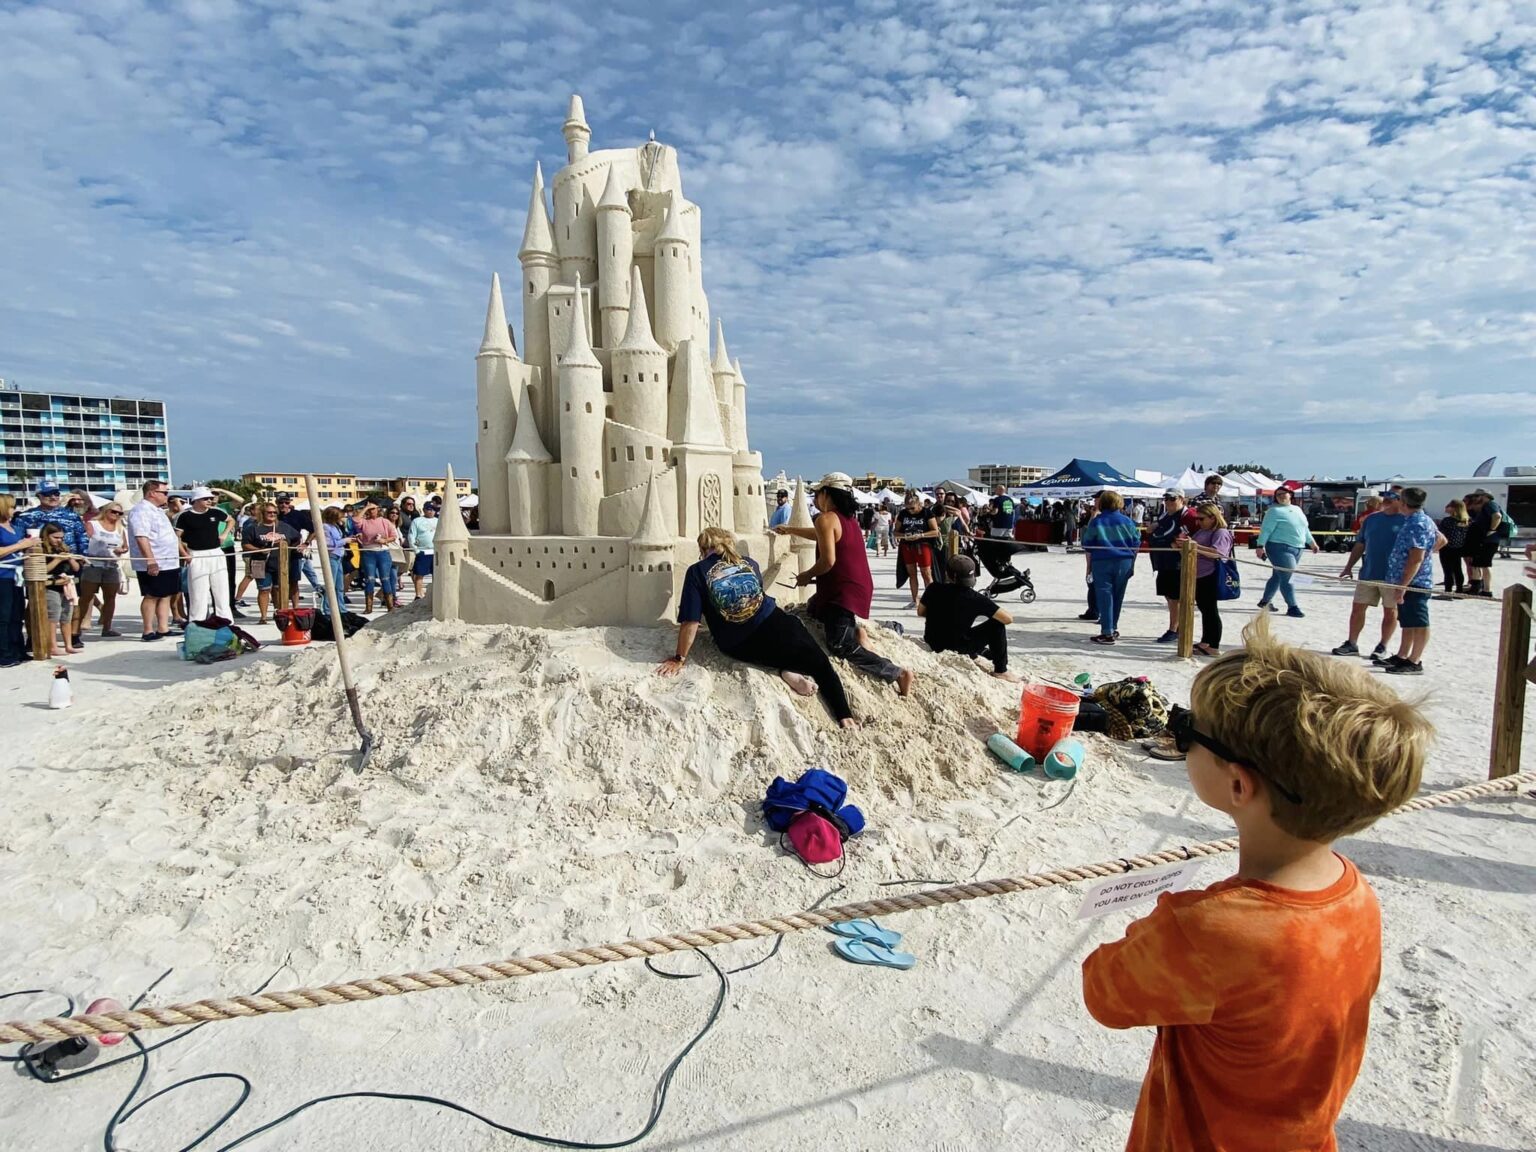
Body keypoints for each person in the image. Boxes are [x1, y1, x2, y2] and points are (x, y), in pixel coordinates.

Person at [1082, 616, 1428, 1152]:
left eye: (1189, 730)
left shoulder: (1203, 930)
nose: (1181, 736)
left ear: (1239, 783)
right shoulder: (1354, 893)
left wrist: (1168, 924)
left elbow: (1103, 992)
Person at [658, 526, 858, 729]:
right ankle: (844, 716)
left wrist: (679, 659)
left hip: (738, 641)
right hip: (776, 622)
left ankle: (783, 670)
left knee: (769, 654)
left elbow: (690, 622)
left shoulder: (697, 571)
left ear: (703, 548)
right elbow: (757, 599)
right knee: (819, 662)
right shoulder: (750, 563)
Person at [775, 472, 914, 696]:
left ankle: (896, 673)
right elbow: (821, 535)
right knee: (814, 609)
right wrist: (791, 529)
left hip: (843, 591)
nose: (815, 499)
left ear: (826, 494)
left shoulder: (826, 518)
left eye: (817, 494)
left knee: (839, 645)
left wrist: (805, 575)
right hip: (854, 586)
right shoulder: (846, 519)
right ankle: (856, 631)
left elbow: (827, 561)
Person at [918, 555, 1018, 680]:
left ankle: (978, 652)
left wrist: (941, 614)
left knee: (954, 627)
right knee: (996, 625)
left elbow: (920, 612)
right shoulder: (976, 598)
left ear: (949, 575)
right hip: (956, 646)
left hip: (932, 642)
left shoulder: (933, 588)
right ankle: (1001, 671)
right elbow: (1008, 619)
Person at [1332, 491, 1406, 660]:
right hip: (1369, 572)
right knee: (1357, 608)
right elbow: (1360, 544)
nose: (1386, 500)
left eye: (1391, 498)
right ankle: (1352, 643)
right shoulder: (1372, 519)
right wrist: (1348, 567)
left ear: (1400, 501)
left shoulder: (1407, 520)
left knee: (1390, 611)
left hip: (1393, 576)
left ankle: (1382, 646)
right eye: (1384, 498)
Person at [1381, 487, 1445, 676]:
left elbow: (1416, 557)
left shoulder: (1418, 523)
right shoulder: (1417, 520)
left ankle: (1415, 660)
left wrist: (1403, 585)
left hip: (1415, 582)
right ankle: (1403, 655)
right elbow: (1441, 540)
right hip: (1407, 580)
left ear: (1403, 502)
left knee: (1419, 621)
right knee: (1407, 621)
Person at [1081, 490, 1139, 645]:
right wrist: (1132, 563)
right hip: (1124, 561)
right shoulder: (1128, 521)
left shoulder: (1097, 522)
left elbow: (1087, 543)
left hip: (1102, 561)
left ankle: (1107, 632)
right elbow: (1136, 543)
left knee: (1104, 596)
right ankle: (1113, 627)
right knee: (1118, 596)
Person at [126, 479, 181, 641]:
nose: (167, 496)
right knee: (152, 595)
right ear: (152, 493)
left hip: (168, 560)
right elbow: (141, 537)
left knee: (166, 594)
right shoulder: (141, 511)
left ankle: (163, 627)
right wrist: (150, 560)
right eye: (164, 493)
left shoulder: (157, 510)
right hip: (154, 560)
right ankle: (148, 630)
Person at [1254, 487, 1319, 618]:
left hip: (1298, 548)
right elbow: (1265, 530)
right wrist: (1260, 546)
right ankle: (1292, 607)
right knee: (1288, 577)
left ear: (1291, 495)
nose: (1281, 496)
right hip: (1279, 548)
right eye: (1278, 495)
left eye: (1284, 493)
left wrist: (1312, 543)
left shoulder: (1298, 509)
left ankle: (1265, 601)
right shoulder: (1273, 511)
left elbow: (1304, 529)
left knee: (1278, 576)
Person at [177, 486, 233, 622]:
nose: (209, 500)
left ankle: (225, 620)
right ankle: (197, 621)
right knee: (198, 592)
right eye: (205, 498)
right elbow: (176, 536)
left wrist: (224, 534)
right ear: (196, 500)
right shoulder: (185, 516)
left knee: (221, 590)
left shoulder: (215, 512)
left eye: (210, 498)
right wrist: (185, 554)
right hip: (196, 554)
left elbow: (231, 520)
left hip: (215, 553)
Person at [76, 501, 129, 641]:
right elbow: (84, 542)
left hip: (111, 565)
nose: (116, 515)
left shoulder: (120, 528)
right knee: (86, 597)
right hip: (93, 564)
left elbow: (125, 546)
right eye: (113, 511)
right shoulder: (93, 524)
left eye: (119, 513)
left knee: (110, 598)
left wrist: (121, 550)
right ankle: (75, 627)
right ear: (105, 511)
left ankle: (107, 627)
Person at [241, 501, 301, 623]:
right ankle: (263, 616)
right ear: (263, 513)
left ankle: (279, 612)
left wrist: (288, 548)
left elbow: (297, 538)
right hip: (260, 562)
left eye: (274, 512)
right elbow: (245, 544)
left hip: (280, 563)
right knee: (264, 589)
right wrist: (259, 550)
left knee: (279, 589)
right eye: (269, 512)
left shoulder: (284, 526)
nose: (272, 514)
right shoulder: (253, 527)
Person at [0, 494, 41, 666]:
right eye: (11, 506)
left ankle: (17, 649)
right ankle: (4, 653)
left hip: (16, 576)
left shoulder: (14, 527)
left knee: (17, 615)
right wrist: (20, 546)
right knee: (3, 616)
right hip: (2, 576)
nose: (14, 510)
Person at [1190, 503, 1234, 657]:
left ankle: (1213, 645)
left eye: (1202, 519)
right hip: (1198, 574)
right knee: (1204, 610)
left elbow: (1218, 553)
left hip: (1211, 574)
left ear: (1212, 517)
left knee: (1210, 611)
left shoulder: (1220, 532)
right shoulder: (1203, 530)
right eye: (1197, 519)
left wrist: (1194, 547)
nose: (1199, 522)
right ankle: (1205, 641)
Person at [1147, 490, 1187, 643]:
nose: (1168, 501)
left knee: (1174, 597)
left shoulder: (1185, 515)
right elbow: (1152, 532)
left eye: (1172, 498)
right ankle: (1176, 627)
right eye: (1166, 498)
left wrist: (1171, 543)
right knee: (1169, 596)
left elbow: (1183, 539)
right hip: (1163, 560)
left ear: (1181, 499)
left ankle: (1174, 628)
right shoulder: (1165, 515)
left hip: (1176, 562)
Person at [14, 482, 88, 562]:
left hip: (70, 562)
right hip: (39, 563)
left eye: (56, 494)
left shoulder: (72, 516)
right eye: (48, 494)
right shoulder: (25, 516)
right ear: (39, 496)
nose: (53, 497)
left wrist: (81, 560)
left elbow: (82, 539)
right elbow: (18, 541)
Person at [39, 524, 82, 655]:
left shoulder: (63, 548)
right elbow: (42, 570)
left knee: (66, 617)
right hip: (51, 586)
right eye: (55, 537)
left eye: (61, 538)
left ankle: (68, 645)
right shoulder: (41, 550)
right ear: (47, 536)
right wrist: (57, 560)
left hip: (66, 586)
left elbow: (76, 569)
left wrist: (70, 558)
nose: (59, 540)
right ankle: (52, 646)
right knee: (53, 616)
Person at [892, 490, 939, 610]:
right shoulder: (903, 514)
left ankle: (931, 600)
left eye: (912, 508)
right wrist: (904, 536)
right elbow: (895, 532)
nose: (910, 511)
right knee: (912, 574)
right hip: (907, 546)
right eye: (907, 508)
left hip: (922, 545)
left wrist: (921, 535)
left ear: (919, 504)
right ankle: (915, 600)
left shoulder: (926, 513)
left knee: (926, 574)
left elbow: (935, 531)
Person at [350, 501, 399, 613]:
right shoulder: (364, 522)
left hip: (383, 551)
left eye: (374, 508)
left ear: (378, 509)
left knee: (385, 579)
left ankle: (390, 606)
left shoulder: (384, 521)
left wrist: (384, 540)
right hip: (368, 552)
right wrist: (366, 507)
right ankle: (368, 607)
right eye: (370, 509)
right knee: (369, 579)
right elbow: (355, 520)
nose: (372, 511)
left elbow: (393, 536)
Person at [275, 493, 324, 600]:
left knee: (294, 580)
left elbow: (314, 530)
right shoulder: (273, 515)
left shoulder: (298, 515)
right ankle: (280, 606)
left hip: (295, 552)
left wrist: (306, 543)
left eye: (286, 502)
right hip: (276, 552)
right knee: (276, 582)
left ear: (289, 503)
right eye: (281, 502)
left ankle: (295, 606)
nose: (284, 505)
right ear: (276, 503)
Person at [1463, 488, 1504, 597]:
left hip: (1489, 540)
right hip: (1483, 540)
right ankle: (1476, 587)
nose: (1475, 498)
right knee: (1477, 563)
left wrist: (1491, 530)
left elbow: (1497, 516)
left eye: (1477, 496)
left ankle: (1487, 590)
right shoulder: (1482, 508)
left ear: (1484, 496)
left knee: (1485, 565)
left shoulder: (1490, 504)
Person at [1437, 499, 1469, 595]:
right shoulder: (1466, 521)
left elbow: (1441, 534)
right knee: (1457, 569)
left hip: (1447, 548)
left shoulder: (1447, 521)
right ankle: (1459, 589)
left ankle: (1448, 590)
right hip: (1459, 547)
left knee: (1448, 570)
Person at [320, 506, 348, 607]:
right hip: (332, 556)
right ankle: (327, 608)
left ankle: (341, 607)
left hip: (339, 556)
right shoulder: (325, 527)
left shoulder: (336, 526)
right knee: (330, 585)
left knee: (339, 586)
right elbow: (329, 543)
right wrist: (345, 541)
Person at [408, 502, 437, 599]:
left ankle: (435, 593)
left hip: (436, 551)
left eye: (433, 509)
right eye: (429, 509)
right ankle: (418, 594)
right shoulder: (417, 521)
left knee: (436, 574)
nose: (431, 511)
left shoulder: (439, 521)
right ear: (424, 510)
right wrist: (416, 550)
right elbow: (411, 536)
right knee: (419, 574)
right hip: (423, 551)